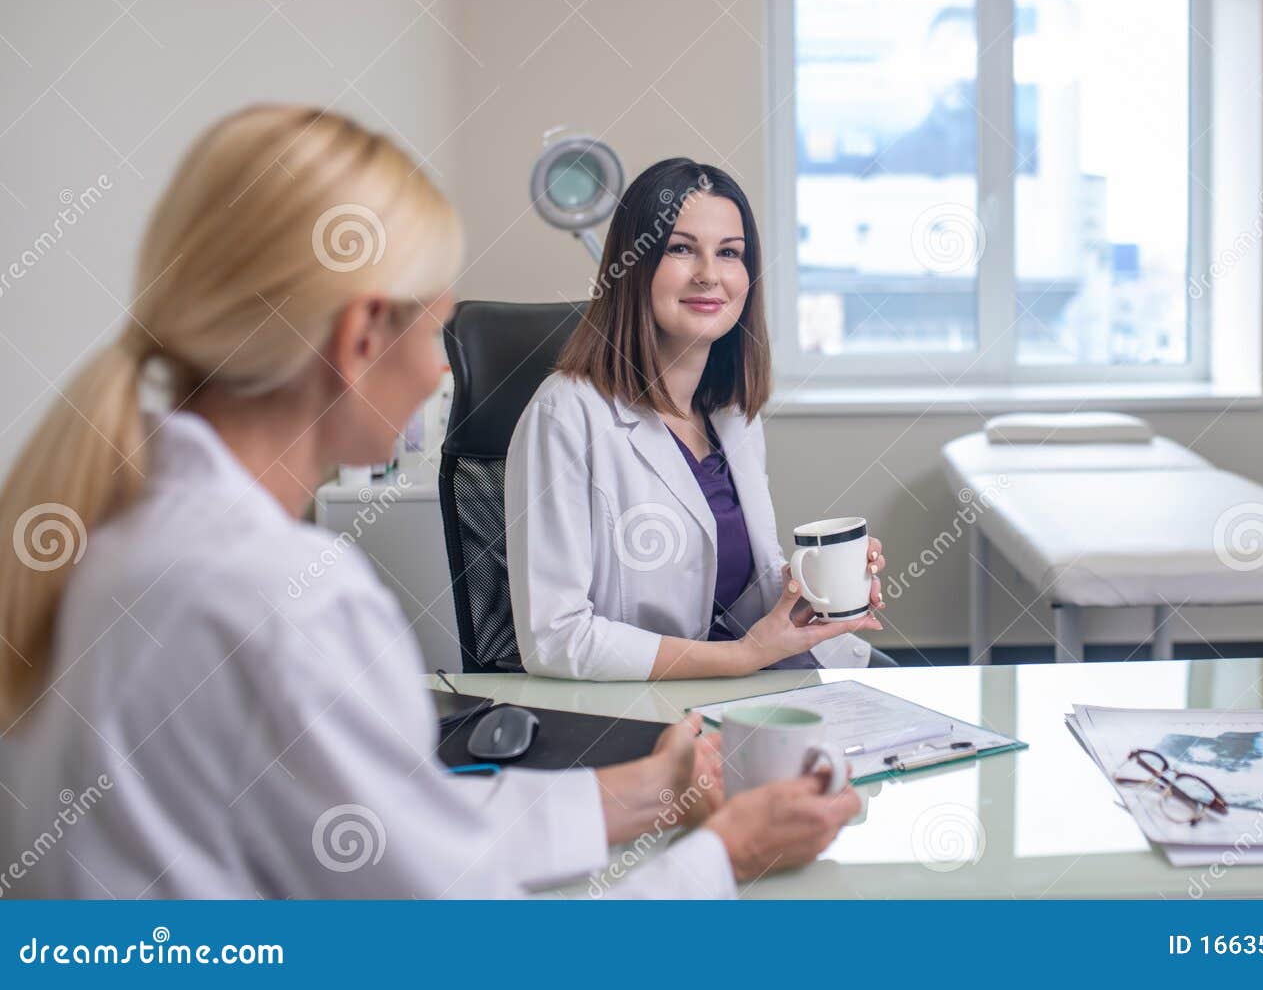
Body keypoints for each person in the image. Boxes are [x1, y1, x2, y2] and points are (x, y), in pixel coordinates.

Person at [0, 106, 859, 898]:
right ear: (360, 337)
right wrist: (726, 853)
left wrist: (649, 791)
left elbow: (417, 839)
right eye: (433, 330)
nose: (444, 372)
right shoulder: (289, 601)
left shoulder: (122, 536)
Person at [507, 157, 887, 681]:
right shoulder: (566, 413)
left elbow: (741, 594)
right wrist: (742, 656)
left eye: (729, 253)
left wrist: (817, 584)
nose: (710, 274)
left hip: (749, 693)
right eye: (681, 249)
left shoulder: (733, 416)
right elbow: (556, 637)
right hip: (639, 713)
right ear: (633, 264)